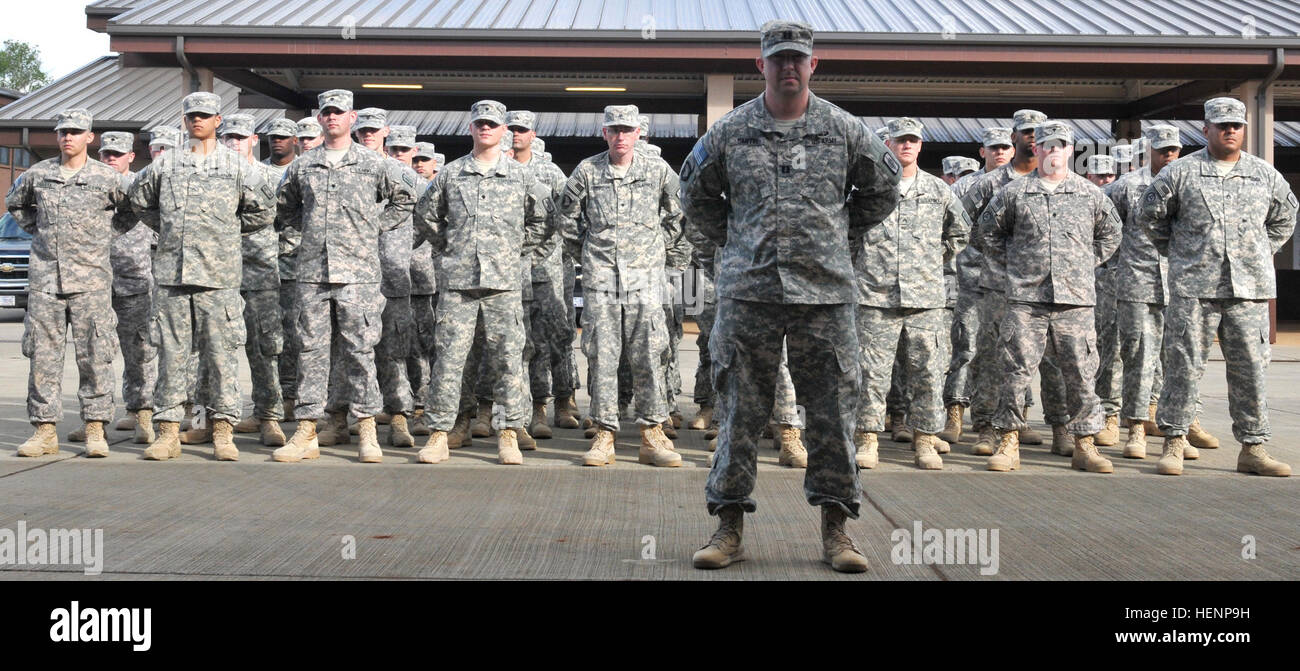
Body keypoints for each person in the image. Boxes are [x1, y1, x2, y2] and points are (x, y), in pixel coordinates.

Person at [680, 20, 899, 573]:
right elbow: (695, 195)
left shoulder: (843, 130)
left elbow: (882, 189)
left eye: (798, 58)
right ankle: (728, 527)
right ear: (761, 65)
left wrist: (838, 236)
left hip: (825, 294)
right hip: (749, 293)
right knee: (738, 411)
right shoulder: (731, 131)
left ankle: (838, 531)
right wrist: (738, 241)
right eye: (777, 58)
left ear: (813, 64)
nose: (788, 67)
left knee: (831, 413)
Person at [1140, 97, 1296, 477]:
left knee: (1251, 371)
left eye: (1236, 125)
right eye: (1222, 124)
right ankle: (1174, 441)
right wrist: (1182, 254)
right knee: (1182, 366)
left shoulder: (1265, 174)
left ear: (1244, 130)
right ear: (1206, 128)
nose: (1230, 130)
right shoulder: (1180, 174)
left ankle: (1253, 447)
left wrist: (1257, 252)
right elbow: (1150, 218)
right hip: (1195, 288)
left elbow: (1284, 218)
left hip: (1249, 290)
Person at [128, 92, 276, 461]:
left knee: (221, 357)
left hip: (219, 277)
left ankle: (223, 431)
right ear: (184, 119)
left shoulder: (237, 166)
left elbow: (263, 210)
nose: (198, 121)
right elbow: (140, 201)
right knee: (172, 357)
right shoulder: (166, 165)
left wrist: (224, 233)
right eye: (192, 115)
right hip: (173, 278)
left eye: (205, 116)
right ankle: (168, 431)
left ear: (218, 121)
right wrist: (172, 232)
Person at [272, 89, 415, 464]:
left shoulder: (373, 163)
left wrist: (373, 228)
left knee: (359, 350)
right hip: (313, 273)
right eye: (327, 112)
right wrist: (307, 235)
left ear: (352, 118)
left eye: (340, 112)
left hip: (359, 274)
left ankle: (367, 427)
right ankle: (306, 429)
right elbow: (284, 208)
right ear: (319, 119)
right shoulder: (304, 165)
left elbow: (406, 198)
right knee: (310, 351)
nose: (333, 117)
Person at [976, 120, 1122, 473]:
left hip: (1075, 299)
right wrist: (1015, 266)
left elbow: (1112, 233)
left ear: (1071, 151)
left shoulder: (1090, 195)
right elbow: (986, 233)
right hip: (1027, 298)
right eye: (1047, 145)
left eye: (1060, 145)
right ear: (1036, 149)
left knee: (1082, 372)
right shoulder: (1014, 193)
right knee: (1015, 371)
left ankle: (1083, 443)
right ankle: (1008, 440)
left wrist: (1085, 263)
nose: (1053, 150)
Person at [412, 100, 552, 465]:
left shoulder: (521, 176)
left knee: (507, 360)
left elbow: (544, 220)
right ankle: (440, 432)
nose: (486, 129)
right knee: (450, 360)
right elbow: (425, 215)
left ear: (504, 130)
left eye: (492, 124)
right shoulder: (451, 174)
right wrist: (449, 249)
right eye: (480, 124)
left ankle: (508, 433)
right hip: (459, 284)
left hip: (504, 284)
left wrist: (516, 253)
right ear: (471, 129)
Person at [558, 104, 685, 467]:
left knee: (649, 355)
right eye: (614, 129)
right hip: (602, 281)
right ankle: (604, 433)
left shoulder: (658, 169)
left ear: (639, 132)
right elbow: (566, 221)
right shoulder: (587, 170)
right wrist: (588, 253)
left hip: (645, 280)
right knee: (602, 357)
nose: (620, 136)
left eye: (627, 130)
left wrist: (657, 255)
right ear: (604, 133)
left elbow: (678, 218)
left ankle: (651, 432)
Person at [8, 108, 134, 458]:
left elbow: (132, 211)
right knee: (43, 357)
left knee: (95, 356)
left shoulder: (106, 177)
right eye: (63, 131)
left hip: (91, 281)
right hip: (46, 280)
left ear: (89, 137)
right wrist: (41, 232)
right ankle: (44, 430)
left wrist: (103, 236)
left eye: (76, 131)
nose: (68, 137)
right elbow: (16, 205)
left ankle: (96, 427)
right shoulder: (39, 173)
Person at [852, 117, 969, 470]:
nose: (907, 145)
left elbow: (960, 232)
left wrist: (932, 260)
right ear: (886, 144)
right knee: (871, 372)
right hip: (875, 296)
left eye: (913, 140)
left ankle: (925, 440)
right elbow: (846, 233)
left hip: (925, 298)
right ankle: (867, 438)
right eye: (900, 140)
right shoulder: (868, 190)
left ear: (920, 146)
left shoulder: (939, 191)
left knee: (928, 371)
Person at [1108, 124, 1217, 459]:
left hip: (1182, 284)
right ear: (1148, 150)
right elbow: (1106, 232)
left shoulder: (1191, 182)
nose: (1169, 155)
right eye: (1162, 150)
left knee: (1181, 360)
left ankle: (1181, 425)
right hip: (1137, 284)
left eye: (1174, 149)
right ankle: (1137, 427)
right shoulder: (1126, 186)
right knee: (1139, 357)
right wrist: (1112, 273)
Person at [940, 127, 1013, 444]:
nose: (999, 152)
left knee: (1006, 352)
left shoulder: (1024, 186)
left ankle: (999, 420)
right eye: (993, 148)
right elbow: (950, 227)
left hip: (1011, 283)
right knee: (966, 347)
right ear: (982, 152)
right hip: (971, 280)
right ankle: (955, 411)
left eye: (1004, 147)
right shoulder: (967, 186)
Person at [220, 113, 287, 447]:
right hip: (219, 275)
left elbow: (289, 217)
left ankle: (269, 417)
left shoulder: (270, 177)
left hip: (260, 274)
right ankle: (214, 417)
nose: (233, 143)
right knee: (215, 350)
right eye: (228, 137)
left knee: (265, 349)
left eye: (240, 137)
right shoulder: (212, 174)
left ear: (253, 141)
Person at [508, 111, 573, 440]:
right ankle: (513, 414)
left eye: (522, 130)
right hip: (505, 272)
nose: (516, 134)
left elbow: (568, 215)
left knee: (552, 340)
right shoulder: (498, 169)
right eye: (512, 128)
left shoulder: (549, 172)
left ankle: (553, 404)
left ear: (533, 134)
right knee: (516, 345)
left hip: (544, 269)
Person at [100, 131, 158, 446]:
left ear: (131, 157)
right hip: (95, 283)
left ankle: (141, 411)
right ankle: (96, 416)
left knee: (139, 351)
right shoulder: (93, 187)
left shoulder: (141, 190)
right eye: (106, 153)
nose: (111, 159)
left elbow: (161, 232)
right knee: (96, 353)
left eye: (117, 154)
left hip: (135, 282)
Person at [260, 118, 302, 422]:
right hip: (259, 265)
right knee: (261, 338)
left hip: (293, 265)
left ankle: (289, 397)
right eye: (274, 137)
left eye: (284, 137)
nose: (278, 141)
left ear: (295, 140)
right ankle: (266, 405)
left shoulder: (301, 170)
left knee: (292, 337)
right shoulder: (256, 171)